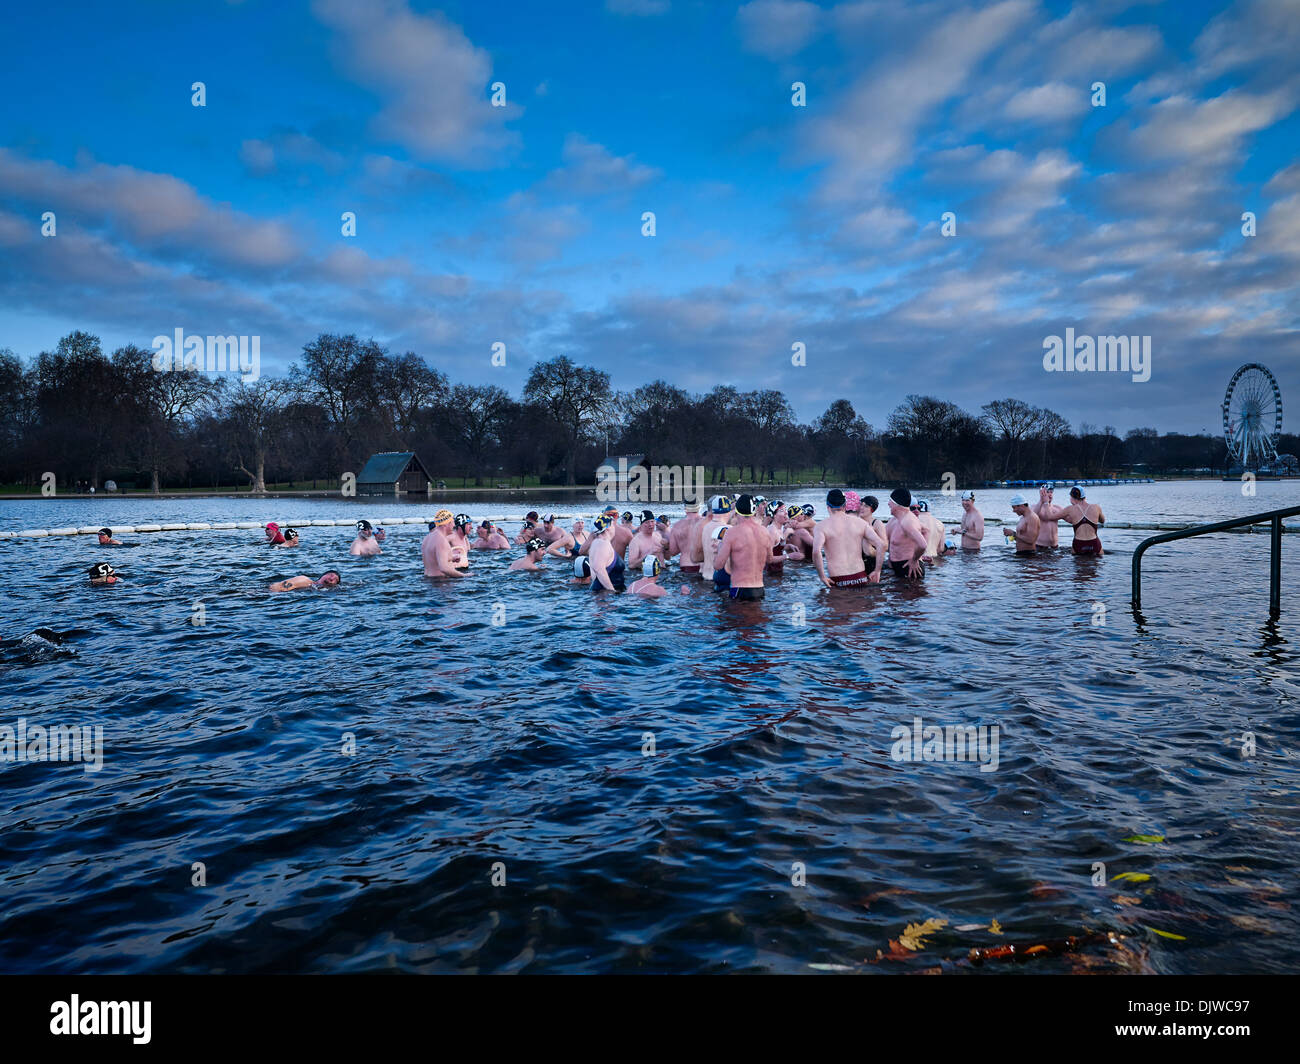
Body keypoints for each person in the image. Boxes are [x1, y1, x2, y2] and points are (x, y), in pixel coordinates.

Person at [815, 488, 887, 587]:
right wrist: (877, 570)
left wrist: (822, 576)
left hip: (838, 579)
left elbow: (816, 552)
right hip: (860, 577)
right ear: (845, 506)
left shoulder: (821, 526)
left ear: (828, 506)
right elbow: (881, 545)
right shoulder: (860, 522)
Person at [712, 494, 769, 600]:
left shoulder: (731, 533)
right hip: (760, 589)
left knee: (732, 615)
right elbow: (770, 559)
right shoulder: (764, 531)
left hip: (740, 589)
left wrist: (720, 548)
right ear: (754, 511)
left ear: (736, 511)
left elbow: (718, 565)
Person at [885, 488, 928, 579]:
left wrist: (915, 559)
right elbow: (926, 530)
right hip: (898, 566)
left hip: (910, 567)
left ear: (897, 504)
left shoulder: (908, 521)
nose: (888, 503)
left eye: (890, 501)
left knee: (910, 592)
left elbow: (923, 545)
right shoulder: (893, 520)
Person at [1058, 485, 1106, 555]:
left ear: (1072, 497)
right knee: (1097, 563)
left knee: (1078, 563)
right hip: (1094, 543)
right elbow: (1103, 521)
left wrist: (1046, 503)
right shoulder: (1096, 507)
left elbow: (1050, 517)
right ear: (1084, 497)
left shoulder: (1070, 509)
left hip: (1078, 544)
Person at [587, 514, 626, 592]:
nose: (615, 528)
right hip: (605, 595)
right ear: (608, 528)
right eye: (613, 525)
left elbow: (594, 572)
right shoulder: (603, 544)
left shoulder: (596, 542)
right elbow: (598, 569)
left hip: (601, 592)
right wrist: (612, 591)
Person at [699, 495, 734, 582]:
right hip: (718, 579)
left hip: (705, 576)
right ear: (728, 512)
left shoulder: (705, 527)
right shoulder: (728, 529)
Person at [421, 511, 465, 578]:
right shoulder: (441, 540)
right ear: (446, 524)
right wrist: (464, 575)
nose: (454, 525)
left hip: (428, 581)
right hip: (440, 582)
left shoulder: (427, 538)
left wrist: (451, 558)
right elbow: (444, 569)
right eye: (452, 522)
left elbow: (432, 560)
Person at [667, 502, 705, 573]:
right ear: (699, 507)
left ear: (685, 508)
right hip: (705, 566)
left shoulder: (677, 526)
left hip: (686, 565)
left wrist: (683, 546)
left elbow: (673, 552)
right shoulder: (706, 523)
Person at [1031, 484, 1063, 549]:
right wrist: (1041, 501)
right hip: (1040, 546)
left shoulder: (1057, 508)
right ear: (1041, 494)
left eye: (1051, 492)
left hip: (1055, 547)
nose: (1050, 494)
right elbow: (1032, 518)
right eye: (1047, 492)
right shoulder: (1035, 507)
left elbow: (1071, 519)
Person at [860, 496, 887, 570]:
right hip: (857, 562)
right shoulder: (855, 521)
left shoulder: (877, 523)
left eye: (866, 506)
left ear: (872, 510)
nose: (861, 507)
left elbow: (885, 546)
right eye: (861, 504)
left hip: (871, 561)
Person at [269, 571, 341, 593]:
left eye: (336, 580)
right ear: (322, 576)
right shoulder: (305, 580)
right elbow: (276, 588)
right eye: (331, 575)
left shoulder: (314, 589)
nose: (332, 579)